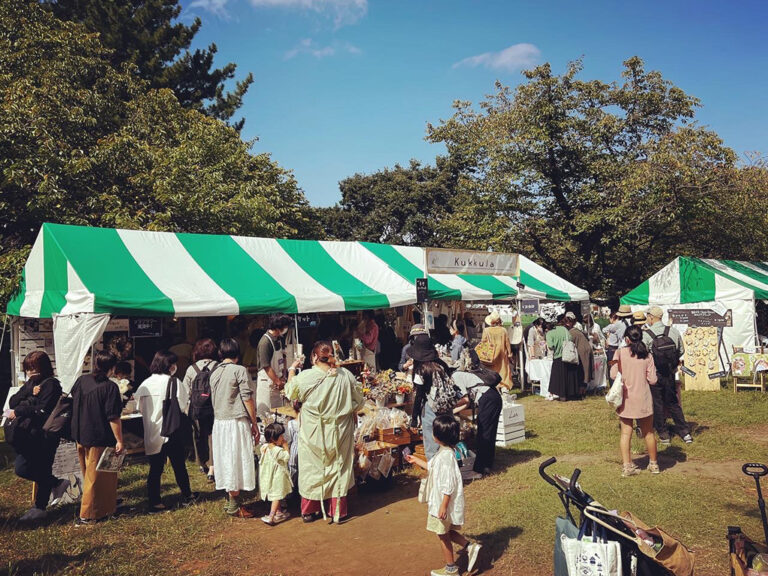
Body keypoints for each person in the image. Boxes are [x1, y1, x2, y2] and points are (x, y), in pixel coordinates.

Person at [284, 341, 364, 524]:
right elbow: (359, 402)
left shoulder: (305, 377)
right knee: (339, 469)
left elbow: (289, 393)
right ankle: (337, 511)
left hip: (314, 433)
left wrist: (291, 371)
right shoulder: (346, 376)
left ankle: (309, 511)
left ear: (313, 357)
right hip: (340, 431)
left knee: (313, 469)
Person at [405, 415, 482, 576]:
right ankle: (469, 547)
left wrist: (443, 506)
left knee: (442, 535)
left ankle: (451, 568)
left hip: (441, 502)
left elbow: (448, 484)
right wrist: (415, 460)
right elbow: (432, 467)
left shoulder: (446, 456)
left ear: (438, 436)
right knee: (446, 531)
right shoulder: (444, 452)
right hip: (440, 501)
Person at [7, 351, 66, 521]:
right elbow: (13, 400)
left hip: (44, 435)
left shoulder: (51, 385)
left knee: (39, 467)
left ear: (43, 367)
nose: (30, 372)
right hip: (28, 435)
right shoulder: (31, 383)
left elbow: (43, 411)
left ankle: (40, 507)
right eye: (28, 368)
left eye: (34, 367)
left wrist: (19, 410)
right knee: (24, 468)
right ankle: (55, 484)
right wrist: (29, 393)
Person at [134, 350, 197, 512]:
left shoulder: (144, 384)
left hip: (151, 432)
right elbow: (184, 406)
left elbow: (139, 409)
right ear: (169, 366)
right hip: (170, 431)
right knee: (179, 465)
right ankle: (187, 495)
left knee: (155, 468)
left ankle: (155, 501)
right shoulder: (174, 382)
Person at [71, 350, 124, 525]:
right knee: (96, 477)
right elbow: (113, 416)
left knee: (90, 475)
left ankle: (106, 507)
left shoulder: (82, 380)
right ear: (113, 368)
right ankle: (88, 514)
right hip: (98, 436)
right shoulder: (110, 387)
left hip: (80, 433)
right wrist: (119, 440)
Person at [209, 338, 259, 518]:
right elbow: (247, 398)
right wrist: (254, 423)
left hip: (220, 423)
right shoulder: (240, 370)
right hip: (236, 422)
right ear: (237, 353)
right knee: (236, 460)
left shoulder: (214, 372)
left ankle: (231, 500)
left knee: (226, 460)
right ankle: (234, 505)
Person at [610, 326, 660, 477]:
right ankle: (654, 464)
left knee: (626, 433)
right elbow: (653, 380)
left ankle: (627, 466)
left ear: (626, 338)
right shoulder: (648, 356)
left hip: (626, 398)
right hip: (644, 398)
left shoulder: (619, 353)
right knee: (648, 433)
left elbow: (613, 375)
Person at [409, 335, 467, 461]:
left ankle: (436, 473)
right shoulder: (441, 364)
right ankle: (451, 467)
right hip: (446, 407)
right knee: (447, 441)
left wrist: (414, 418)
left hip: (431, 409)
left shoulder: (421, 370)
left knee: (432, 444)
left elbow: (419, 397)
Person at [642, 305, 692, 445]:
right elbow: (681, 351)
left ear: (651, 317)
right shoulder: (674, 331)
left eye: (648, 316)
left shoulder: (646, 334)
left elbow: (643, 354)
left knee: (657, 403)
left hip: (655, 373)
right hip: (670, 373)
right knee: (673, 402)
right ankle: (684, 432)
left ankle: (663, 434)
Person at [452, 350, 502, 476]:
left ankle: (480, 468)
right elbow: (467, 403)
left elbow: (465, 400)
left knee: (484, 433)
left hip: (487, 399)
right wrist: (452, 411)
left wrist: (450, 408)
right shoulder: (464, 375)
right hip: (494, 397)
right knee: (489, 431)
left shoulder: (456, 376)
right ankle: (487, 464)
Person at [183, 337, 219, 483]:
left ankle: (201, 463)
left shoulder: (192, 369)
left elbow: (186, 391)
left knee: (198, 435)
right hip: (214, 407)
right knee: (213, 436)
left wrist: (187, 410)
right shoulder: (219, 366)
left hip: (196, 408)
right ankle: (213, 466)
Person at [255, 314, 291, 420]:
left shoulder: (278, 339)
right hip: (267, 382)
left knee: (279, 414)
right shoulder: (265, 342)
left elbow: (282, 357)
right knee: (267, 416)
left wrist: (283, 375)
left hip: (277, 381)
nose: (286, 330)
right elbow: (266, 366)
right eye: (285, 327)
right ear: (277, 328)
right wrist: (277, 381)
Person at [259, 422, 293, 526]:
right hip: (278, 477)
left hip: (269, 476)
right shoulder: (277, 451)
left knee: (275, 494)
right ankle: (271, 516)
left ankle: (279, 512)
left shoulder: (264, 447)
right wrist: (286, 447)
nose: (283, 438)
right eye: (281, 436)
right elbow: (286, 457)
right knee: (277, 496)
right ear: (274, 439)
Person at [545, 315, 580, 401]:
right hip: (568, 355)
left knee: (557, 377)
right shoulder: (564, 329)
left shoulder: (549, 333)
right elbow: (570, 339)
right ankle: (570, 394)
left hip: (558, 357)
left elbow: (550, 346)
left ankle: (561, 395)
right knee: (568, 376)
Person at [480, 312, 513, 389]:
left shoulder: (486, 330)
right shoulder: (503, 330)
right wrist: (509, 354)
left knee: (492, 371)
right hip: (502, 355)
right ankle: (504, 388)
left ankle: (494, 387)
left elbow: (483, 343)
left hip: (491, 355)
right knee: (503, 372)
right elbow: (507, 343)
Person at [565, 312, 593, 396]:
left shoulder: (572, 332)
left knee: (583, 370)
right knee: (584, 370)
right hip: (585, 349)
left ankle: (581, 391)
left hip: (582, 351)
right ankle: (582, 389)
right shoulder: (577, 329)